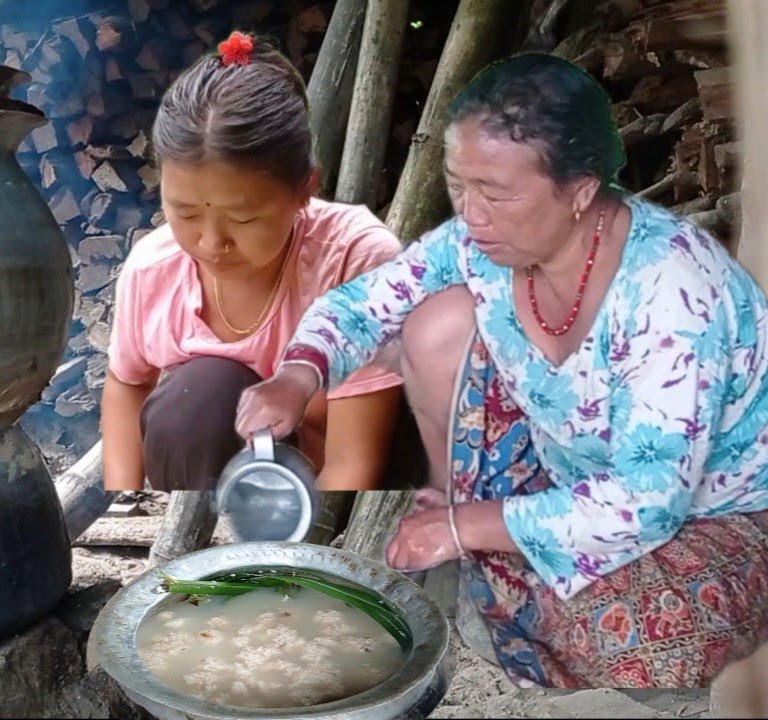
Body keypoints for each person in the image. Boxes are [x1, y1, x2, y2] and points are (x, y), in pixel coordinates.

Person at [236, 53, 768, 688]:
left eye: (496, 192)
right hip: (570, 475)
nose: (472, 212)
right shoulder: (479, 244)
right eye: (459, 185)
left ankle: (494, 559)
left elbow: (647, 501)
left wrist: (464, 527)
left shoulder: (672, 288)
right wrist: (298, 375)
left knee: (636, 632)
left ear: (580, 191)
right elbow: (364, 304)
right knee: (439, 322)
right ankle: (489, 551)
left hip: (718, 513)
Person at [102, 30, 405, 505]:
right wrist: (123, 493)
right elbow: (126, 382)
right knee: (198, 398)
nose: (211, 243)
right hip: (227, 500)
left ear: (305, 189)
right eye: (185, 213)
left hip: (350, 503)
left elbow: (354, 461)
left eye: (243, 218)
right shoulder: (153, 270)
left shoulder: (355, 263)